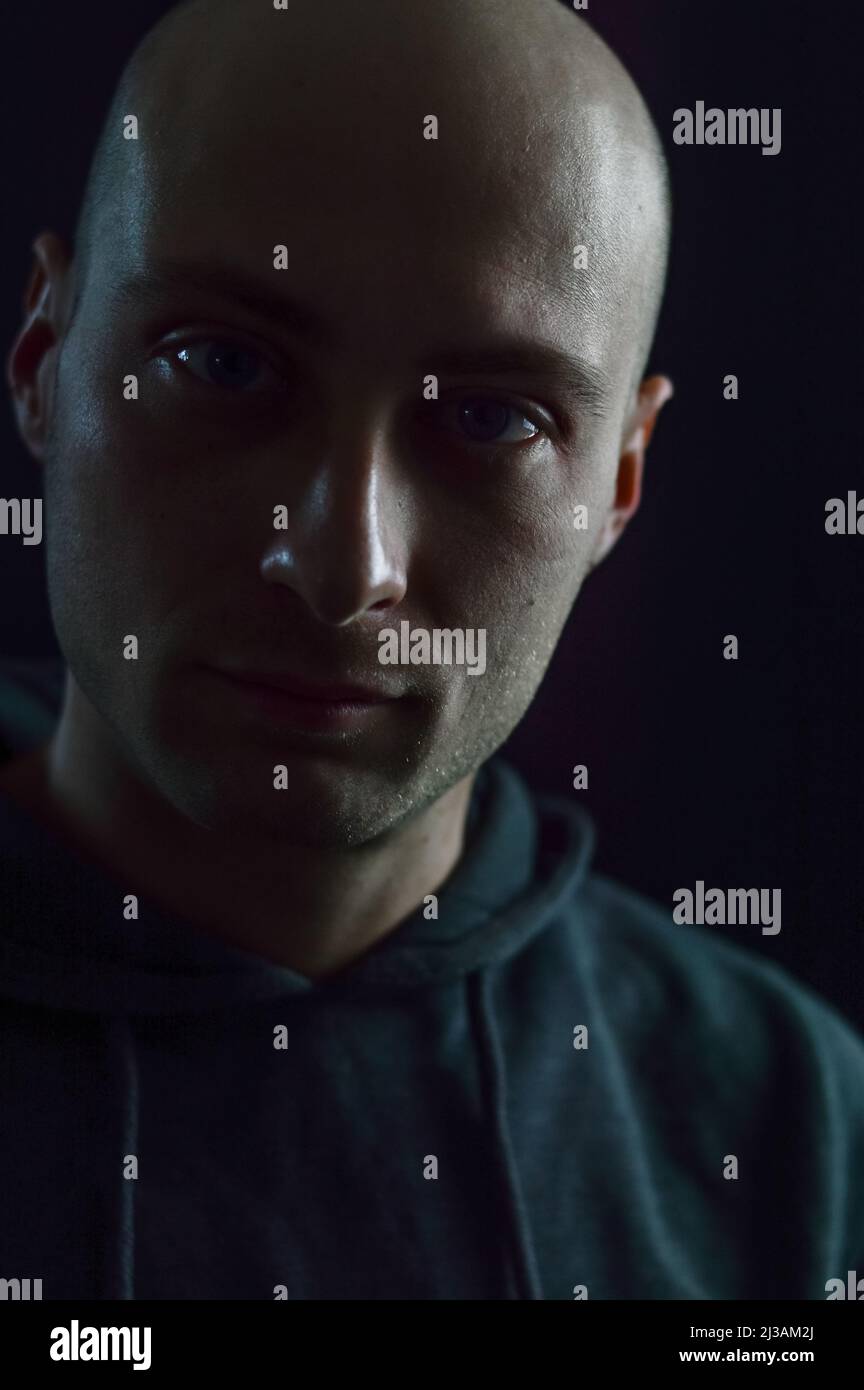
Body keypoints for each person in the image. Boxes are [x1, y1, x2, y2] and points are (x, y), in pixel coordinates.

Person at [0, 0, 861, 1301]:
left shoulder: (800, 1130)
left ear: (619, 484)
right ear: (45, 363)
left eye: (494, 421)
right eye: (223, 363)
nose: (345, 569)